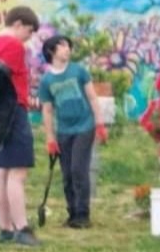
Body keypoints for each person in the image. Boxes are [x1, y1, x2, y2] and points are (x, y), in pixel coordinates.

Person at [39, 35, 108, 229]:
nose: (67, 49)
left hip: (85, 126)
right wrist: (50, 137)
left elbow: (93, 98)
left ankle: (83, 215)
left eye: (68, 46)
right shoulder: (47, 80)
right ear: (52, 51)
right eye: (62, 46)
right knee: (67, 173)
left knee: (79, 170)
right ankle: (72, 214)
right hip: (63, 130)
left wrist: (100, 123)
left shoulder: (78, 71)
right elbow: (47, 109)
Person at [0, 6, 41, 246]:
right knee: (17, 172)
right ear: (18, 24)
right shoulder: (13, 46)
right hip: (12, 111)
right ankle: (22, 228)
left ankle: (5, 228)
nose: (28, 38)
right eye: (28, 32)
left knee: (2, 170)